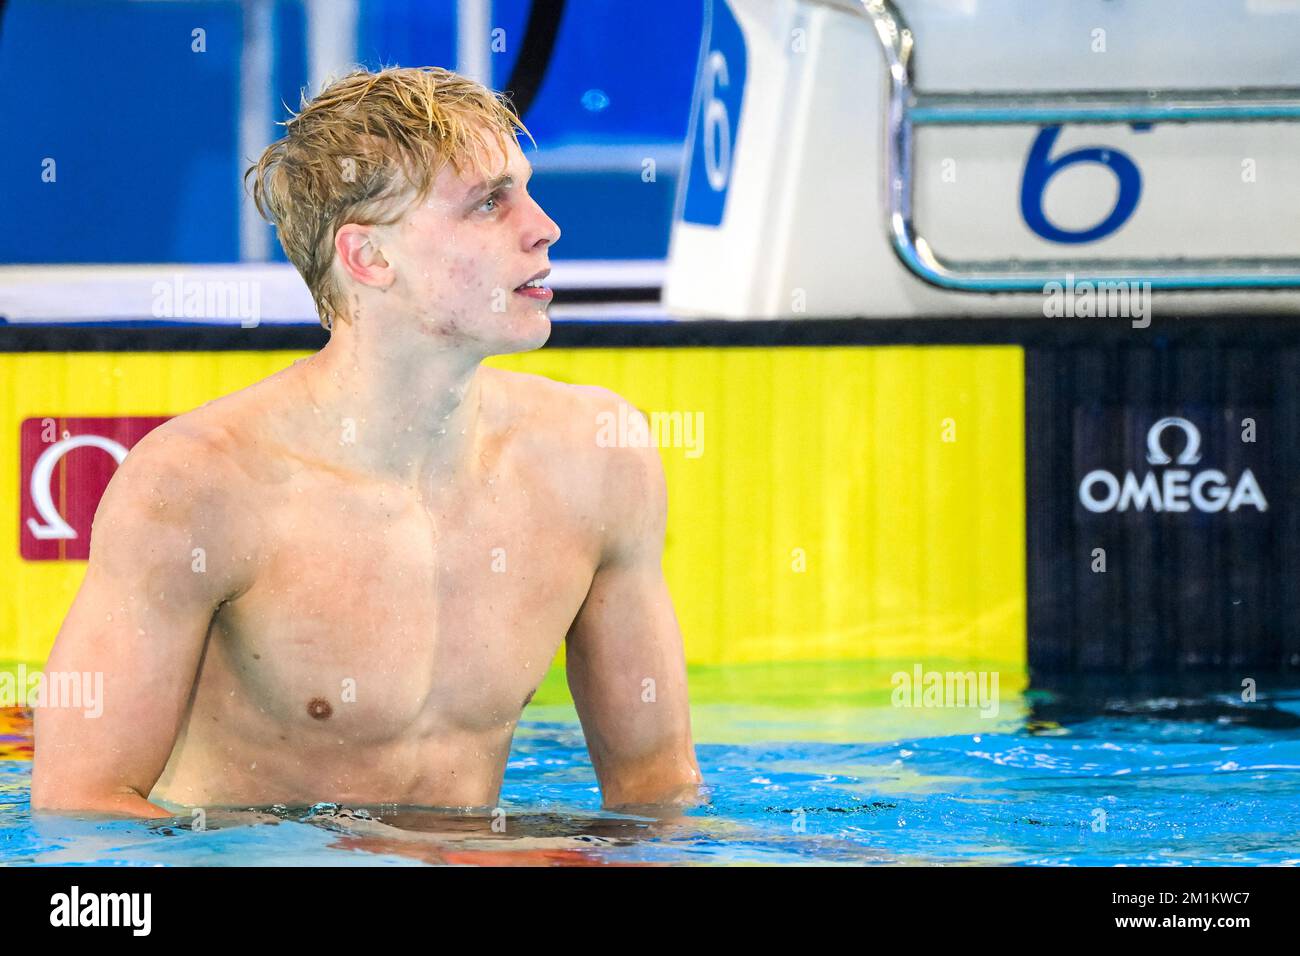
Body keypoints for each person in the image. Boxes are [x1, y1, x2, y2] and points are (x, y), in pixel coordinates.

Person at [32, 66, 703, 819]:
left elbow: (658, 791)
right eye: (489, 203)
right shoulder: (201, 486)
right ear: (369, 259)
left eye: (524, 187)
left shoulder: (598, 458)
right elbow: (81, 808)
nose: (543, 226)